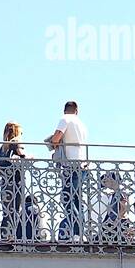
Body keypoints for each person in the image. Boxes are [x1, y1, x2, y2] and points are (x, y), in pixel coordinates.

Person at [45, 101, 89, 241]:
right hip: (83, 165)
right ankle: (80, 233)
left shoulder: (65, 119)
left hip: (71, 165)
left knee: (66, 198)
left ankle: (77, 231)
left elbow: (57, 138)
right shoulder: (82, 124)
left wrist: (52, 142)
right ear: (77, 111)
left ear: (65, 110)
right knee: (76, 199)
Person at [0, 121, 33, 245]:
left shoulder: (3, 147)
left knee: (7, 211)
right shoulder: (16, 142)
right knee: (15, 210)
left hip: (5, 183)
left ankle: (5, 236)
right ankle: (13, 237)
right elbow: (22, 156)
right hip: (16, 182)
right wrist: (31, 157)